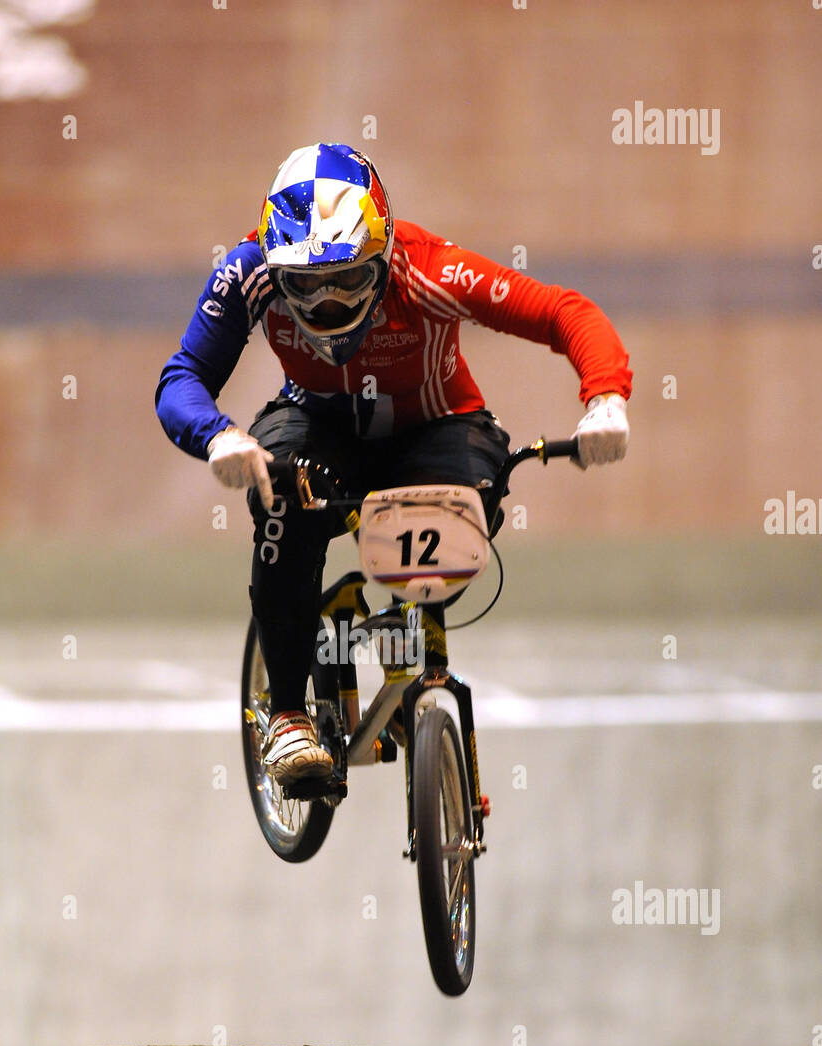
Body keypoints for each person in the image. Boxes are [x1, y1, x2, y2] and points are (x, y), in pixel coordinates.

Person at [156, 142, 632, 786]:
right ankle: (289, 715)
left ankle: (405, 640)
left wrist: (604, 399)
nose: (326, 306)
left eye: (347, 280)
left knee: (468, 502)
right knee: (279, 494)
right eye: (305, 287)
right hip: (316, 428)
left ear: (382, 261)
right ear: (275, 267)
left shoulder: (433, 269)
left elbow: (562, 312)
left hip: (437, 429)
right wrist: (218, 437)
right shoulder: (249, 272)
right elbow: (184, 378)